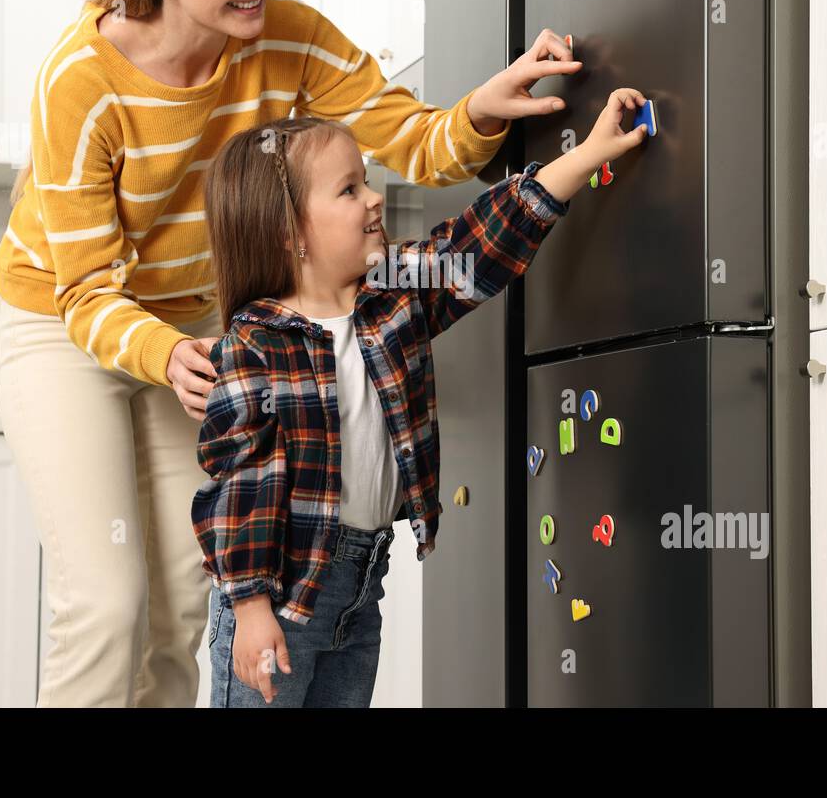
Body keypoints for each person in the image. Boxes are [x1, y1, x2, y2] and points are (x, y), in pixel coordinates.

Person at [0, 0, 580, 707]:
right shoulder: (80, 82)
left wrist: (480, 110)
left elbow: (409, 138)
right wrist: (162, 354)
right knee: (107, 603)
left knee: (186, 604)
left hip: (191, 330)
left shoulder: (286, 35)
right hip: (65, 326)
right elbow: (84, 290)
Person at [195, 89, 650, 707]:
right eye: (349, 190)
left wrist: (588, 155)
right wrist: (250, 610)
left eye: (367, 182)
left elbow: (475, 246)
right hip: (278, 599)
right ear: (287, 231)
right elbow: (240, 485)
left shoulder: (393, 293)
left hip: (361, 585)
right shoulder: (254, 344)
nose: (374, 198)